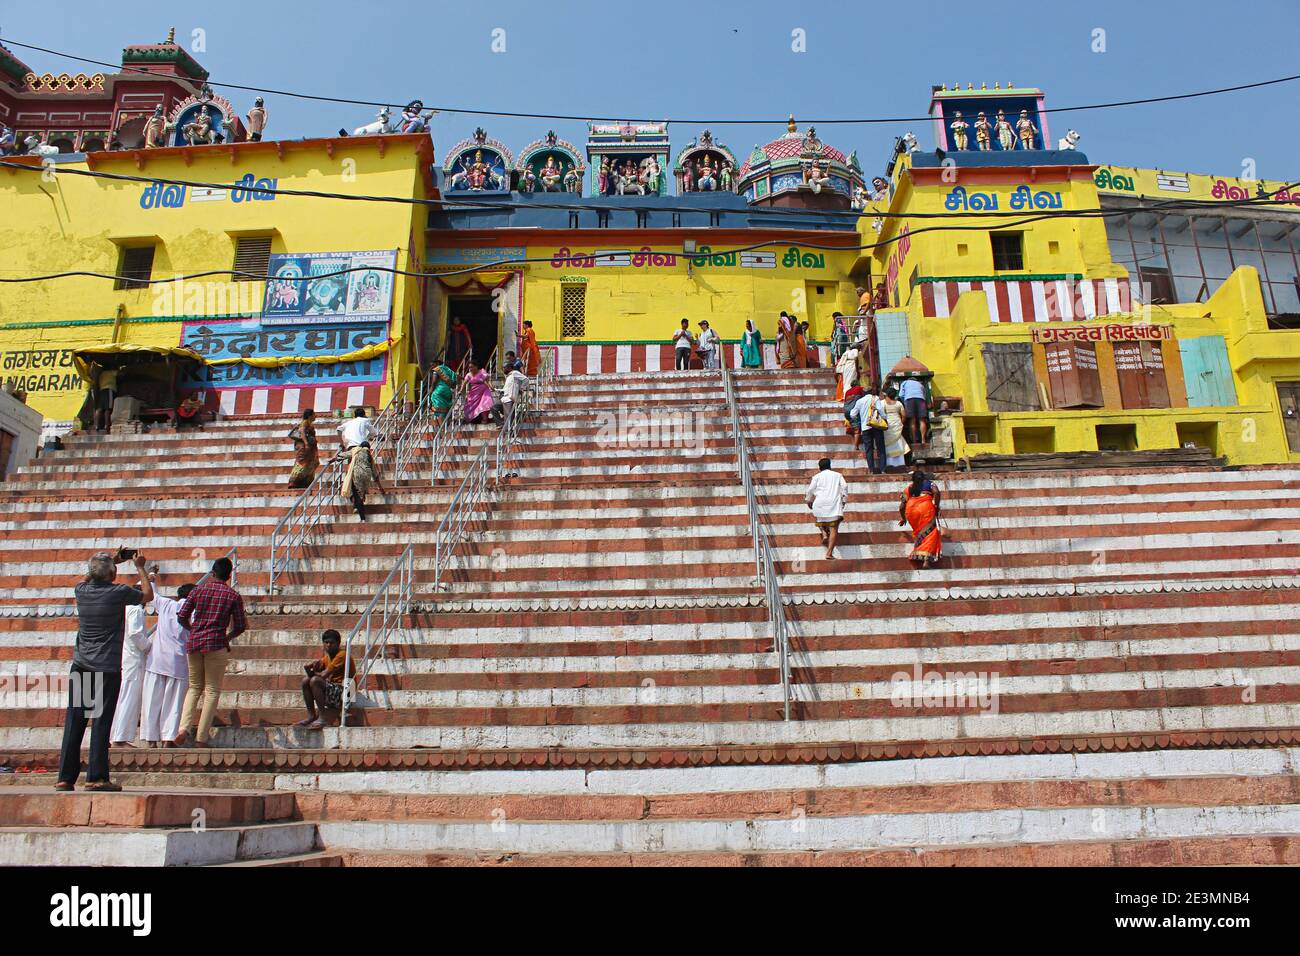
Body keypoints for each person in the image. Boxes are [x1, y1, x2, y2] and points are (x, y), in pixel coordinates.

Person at [57, 549, 153, 791]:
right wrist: (140, 566)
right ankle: (96, 777)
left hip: (81, 665)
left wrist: (112, 560)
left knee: (76, 721)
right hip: (107, 667)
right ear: (113, 575)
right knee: (101, 721)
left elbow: (88, 576)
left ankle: (65, 778)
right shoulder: (118, 592)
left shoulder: (81, 591)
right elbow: (147, 595)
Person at [175, 556, 246, 748]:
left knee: (194, 687)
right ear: (229, 576)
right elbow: (240, 626)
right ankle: (201, 738)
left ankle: (183, 729)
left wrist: (193, 630)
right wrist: (227, 637)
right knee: (212, 691)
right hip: (216, 643)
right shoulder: (233, 596)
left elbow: (181, 616)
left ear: (212, 573)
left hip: (195, 642)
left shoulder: (198, 590)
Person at [140, 582, 195, 748]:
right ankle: (168, 738)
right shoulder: (194, 612)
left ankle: (151, 740)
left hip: (157, 660)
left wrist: (151, 577)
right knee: (174, 703)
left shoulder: (166, 604)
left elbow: (151, 593)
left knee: (151, 701)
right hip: (178, 662)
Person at [108, 581, 151, 748]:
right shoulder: (135, 609)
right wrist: (148, 647)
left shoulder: (125, 609)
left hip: (126, 658)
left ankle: (116, 736)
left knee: (124, 697)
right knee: (129, 697)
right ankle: (120, 738)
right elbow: (135, 633)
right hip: (133, 659)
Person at [297, 630, 357, 729]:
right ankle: (311, 716)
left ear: (338, 644)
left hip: (347, 693)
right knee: (305, 681)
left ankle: (323, 717)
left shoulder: (342, 655)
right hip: (335, 691)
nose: (329, 645)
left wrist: (313, 672)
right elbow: (314, 674)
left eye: (332, 642)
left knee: (315, 680)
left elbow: (323, 675)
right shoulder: (327, 657)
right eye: (326, 642)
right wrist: (309, 669)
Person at [804, 458, 848, 560]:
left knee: (819, 518)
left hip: (820, 503)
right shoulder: (838, 475)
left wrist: (809, 500)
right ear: (830, 466)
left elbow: (810, 490)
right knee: (834, 528)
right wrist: (844, 499)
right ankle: (829, 553)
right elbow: (844, 486)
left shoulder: (816, 477)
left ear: (819, 468)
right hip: (833, 504)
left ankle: (824, 533)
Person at [899, 471, 942, 567]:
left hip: (911, 512)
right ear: (924, 477)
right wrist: (936, 505)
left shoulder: (908, 488)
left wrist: (903, 518)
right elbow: (937, 492)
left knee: (920, 532)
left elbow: (901, 507)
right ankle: (926, 560)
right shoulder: (929, 483)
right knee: (930, 534)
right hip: (926, 509)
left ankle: (919, 553)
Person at [340, 441, 386, 521]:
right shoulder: (369, 456)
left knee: (357, 494)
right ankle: (357, 505)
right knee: (360, 494)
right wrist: (380, 487)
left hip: (357, 474)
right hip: (367, 476)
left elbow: (345, 455)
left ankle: (362, 516)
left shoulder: (356, 451)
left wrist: (335, 458)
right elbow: (375, 473)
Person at [851, 386, 887, 476]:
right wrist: (885, 418)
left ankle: (871, 470)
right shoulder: (876, 399)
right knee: (880, 447)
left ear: (863, 393)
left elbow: (852, 414)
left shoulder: (859, 401)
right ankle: (882, 469)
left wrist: (859, 418)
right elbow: (880, 410)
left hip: (865, 427)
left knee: (868, 449)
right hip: (876, 425)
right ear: (872, 391)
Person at [879, 386, 911, 471]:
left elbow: (880, 414)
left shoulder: (882, 403)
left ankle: (890, 464)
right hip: (897, 424)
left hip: (887, 425)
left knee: (888, 444)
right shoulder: (899, 403)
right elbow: (904, 416)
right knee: (898, 443)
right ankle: (900, 464)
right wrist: (901, 423)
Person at [287, 409, 319, 489]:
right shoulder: (305, 423)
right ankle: (294, 482)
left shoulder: (308, 423)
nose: (315, 416)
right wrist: (306, 443)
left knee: (310, 464)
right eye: (314, 414)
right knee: (302, 463)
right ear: (310, 416)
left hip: (309, 448)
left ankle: (304, 483)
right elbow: (302, 432)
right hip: (304, 447)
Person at [897, 375, 930, 446]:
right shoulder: (920, 384)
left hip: (909, 400)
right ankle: (923, 440)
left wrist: (904, 403)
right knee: (922, 420)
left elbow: (901, 395)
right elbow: (924, 395)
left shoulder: (905, 382)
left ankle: (915, 441)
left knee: (912, 420)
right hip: (921, 400)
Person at [463, 359, 495, 424]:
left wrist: (491, 387)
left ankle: (485, 419)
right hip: (474, 393)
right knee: (469, 406)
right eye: (469, 367)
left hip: (484, 391)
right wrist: (460, 391)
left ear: (476, 366)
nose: (470, 369)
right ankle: (470, 419)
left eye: (472, 367)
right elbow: (464, 383)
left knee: (484, 403)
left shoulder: (482, 372)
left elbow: (487, 381)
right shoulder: (469, 375)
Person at [501, 359, 529, 430]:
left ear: (510, 368)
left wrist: (521, 388)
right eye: (503, 367)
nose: (503, 369)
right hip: (504, 398)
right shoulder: (508, 376)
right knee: (494, 408)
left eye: (505, 367)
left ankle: (509, 431)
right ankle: (502, 425)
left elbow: (526, 379)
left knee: (509, 416)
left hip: (510, 398)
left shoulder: (514, 373)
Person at [92, 363, 118, 433]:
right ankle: (107, 425)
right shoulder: (111, 372)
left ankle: (96, 425)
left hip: (101, 391)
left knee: (99, 408)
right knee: (108, 409)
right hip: (109, 390)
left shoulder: (101, 374)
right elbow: (121, 373)